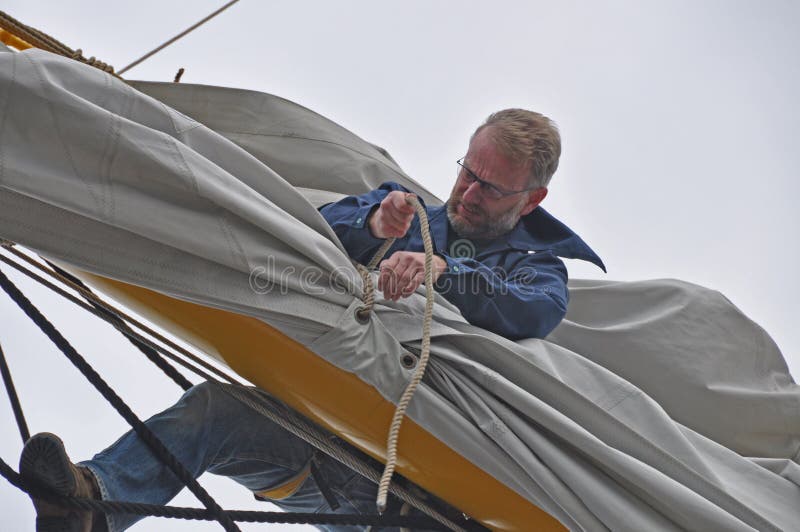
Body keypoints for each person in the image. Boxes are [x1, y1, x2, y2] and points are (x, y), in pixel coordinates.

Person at [19, 109, 604, 532]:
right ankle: (91, 505)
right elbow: (307, 230)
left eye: (491, 187)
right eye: (465, 172)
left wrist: (440, 271)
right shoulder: (404, 212)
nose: (468, 193)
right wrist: (374, 225)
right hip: (321, 444)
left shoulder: (536, 269)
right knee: (216, 412)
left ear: (531, 200)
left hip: (430, 504)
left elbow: (533, 310)